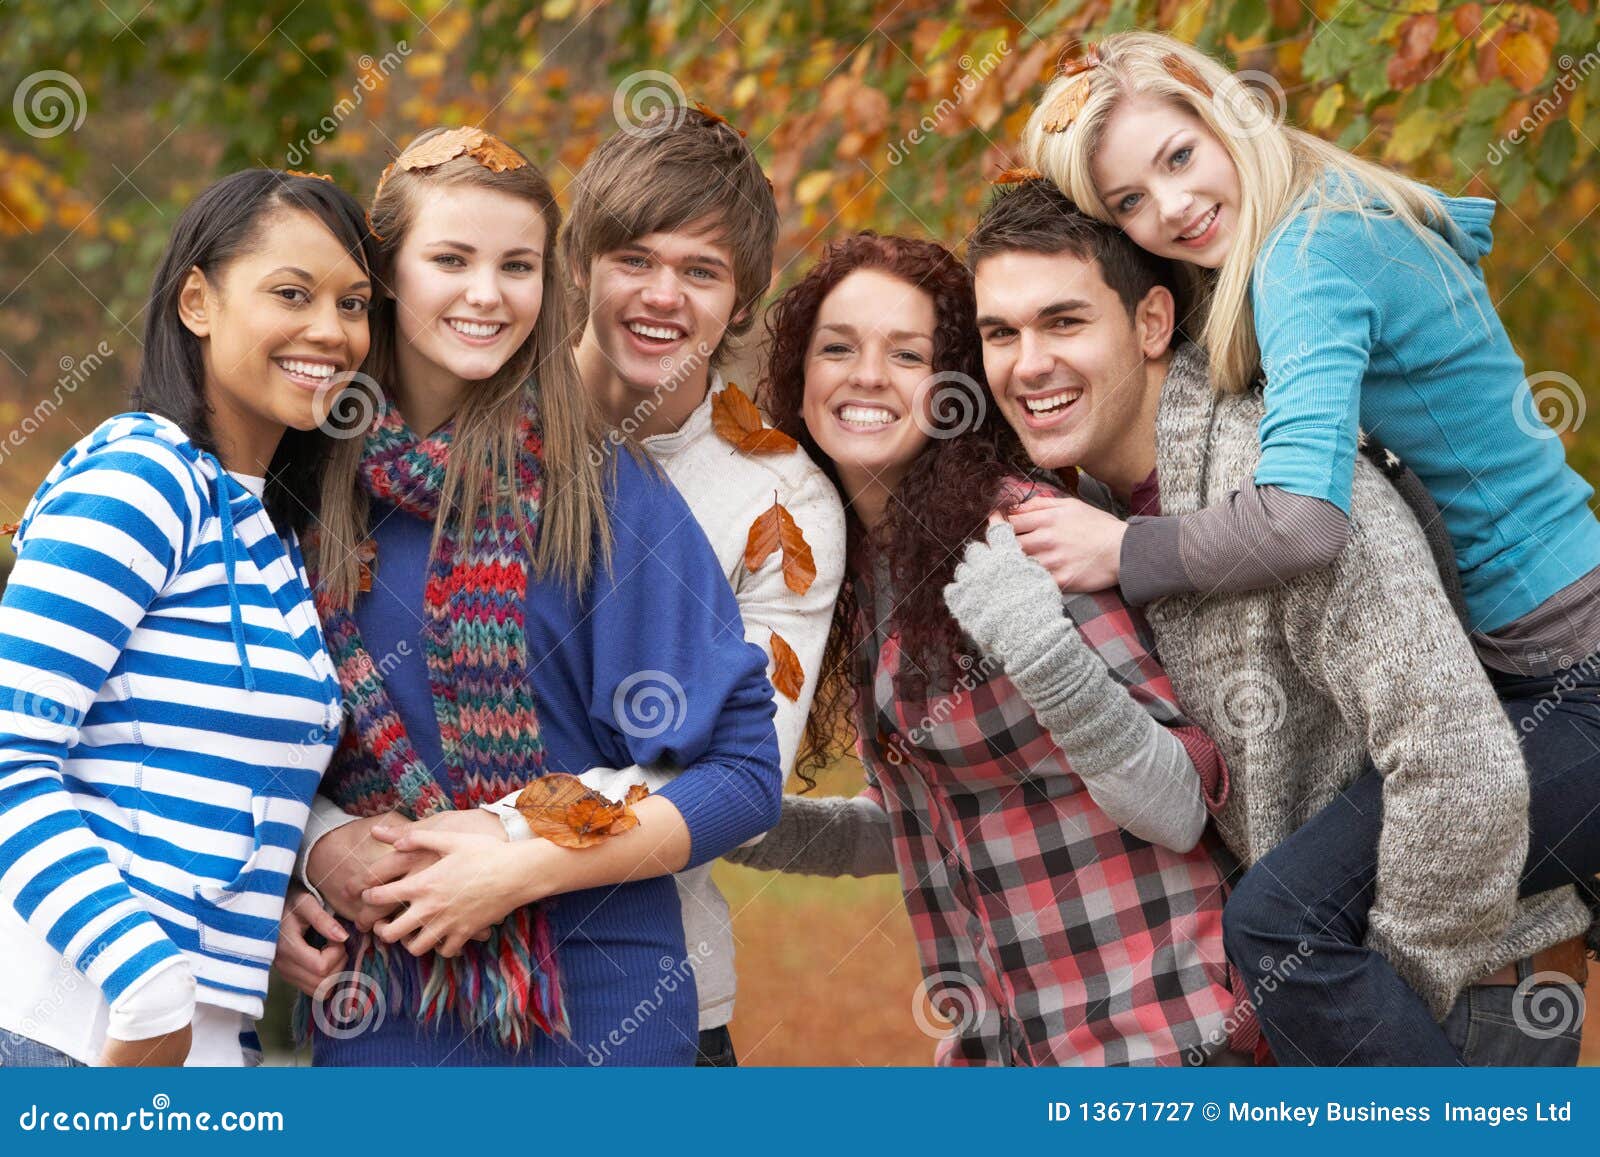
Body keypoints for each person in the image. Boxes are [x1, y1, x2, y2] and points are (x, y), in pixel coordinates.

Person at [964, 176, 1591, 1065]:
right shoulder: (1089, 509)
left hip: (1467, 993)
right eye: (1001, 333)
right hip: (1339, 996)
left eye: (1063, 322)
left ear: (1149, 324)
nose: (1028, 362)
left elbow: (1458, 763)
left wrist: (1375, 991)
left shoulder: (1273, 478)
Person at [272, 128, 782, 1066]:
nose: (486, 293)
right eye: (451, 259)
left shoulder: (598, 487)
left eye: (518, 265)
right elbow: (242, 737)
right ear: (386, 274)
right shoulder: (301, 486)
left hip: (596, 1002)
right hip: (381, 996)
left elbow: (745, 773)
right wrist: (315, 847)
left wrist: (516, 847)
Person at [730, 231, 1248, 1066]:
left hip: (1162, 1036)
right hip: (1009, 1049)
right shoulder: (863, 572)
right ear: (799, 376)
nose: (866, 375)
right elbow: (920, 813)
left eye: (908, 353)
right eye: (838, 347)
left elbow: (1182, 803)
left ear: (954, 392)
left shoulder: (1020, 539)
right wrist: (724, 816)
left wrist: (1043, 651)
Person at [0, 169, 370, 1066]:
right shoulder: (142, 475)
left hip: (208, 1046)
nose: (331, 329)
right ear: (197, 301)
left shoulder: (269, 531)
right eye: (292, 293)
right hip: (69, 1030)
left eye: (355, 303)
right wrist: (146, 983)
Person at [552, 104, 847, 1066]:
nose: (662, 295)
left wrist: (497, 843)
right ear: (581, 263)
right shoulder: (477, 425)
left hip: (658, 998)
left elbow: (733, 774)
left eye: (702, 271)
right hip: (432, 979)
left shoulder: (782, 501)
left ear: (742, 297)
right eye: (634, 258)